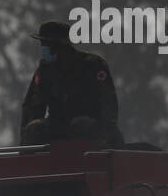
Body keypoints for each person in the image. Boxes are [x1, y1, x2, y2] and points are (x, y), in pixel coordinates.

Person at [20, 20, 124, 148]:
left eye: (46, 44)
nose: (42, 48)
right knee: (34, 129)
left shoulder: (93, 65)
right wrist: (27, 137)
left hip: (93, 124)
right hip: (58, 124)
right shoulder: (45, 69)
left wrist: (105, 128)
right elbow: (32, 105)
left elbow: (108, 102)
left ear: (60, 45)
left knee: (81, 125)